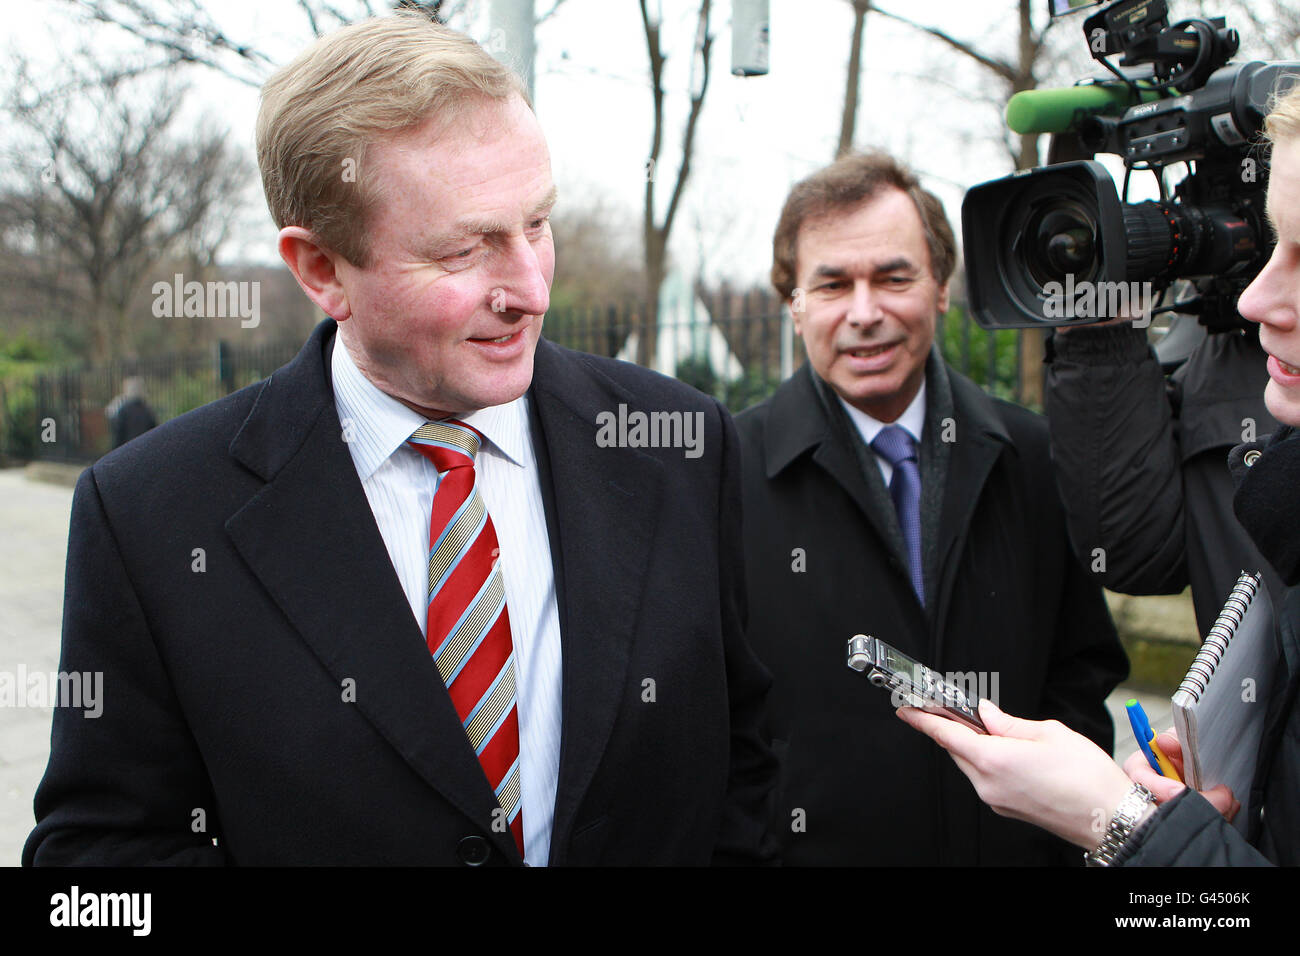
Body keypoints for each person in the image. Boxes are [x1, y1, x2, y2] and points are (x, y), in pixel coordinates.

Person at [24, 14, 776, 867]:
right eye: (466, 249)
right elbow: (95, 860)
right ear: (321, 270)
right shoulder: (149, 514)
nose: (530, 289)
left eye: (537, 224)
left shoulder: (679, 446)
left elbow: (742, 762)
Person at [900, 82, 1300, 866]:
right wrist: (1213, 824)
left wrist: (1118, 826)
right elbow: (1131, 547)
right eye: (1274, 239)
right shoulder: (1230, 355)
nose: (1256, 297)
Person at [734, 151, 1129, 865]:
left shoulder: (1033, 455)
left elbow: (1081, 674)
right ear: (793, 303)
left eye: (893, 277)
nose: (865, 312)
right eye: (831, 284)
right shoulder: (728, 477)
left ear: (941, 286)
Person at [107, 376, 157, 449]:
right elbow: (154, 430)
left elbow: (118, 433)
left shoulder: (123, 410)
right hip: (145, 447)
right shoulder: (147, 410)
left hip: (127, 449)